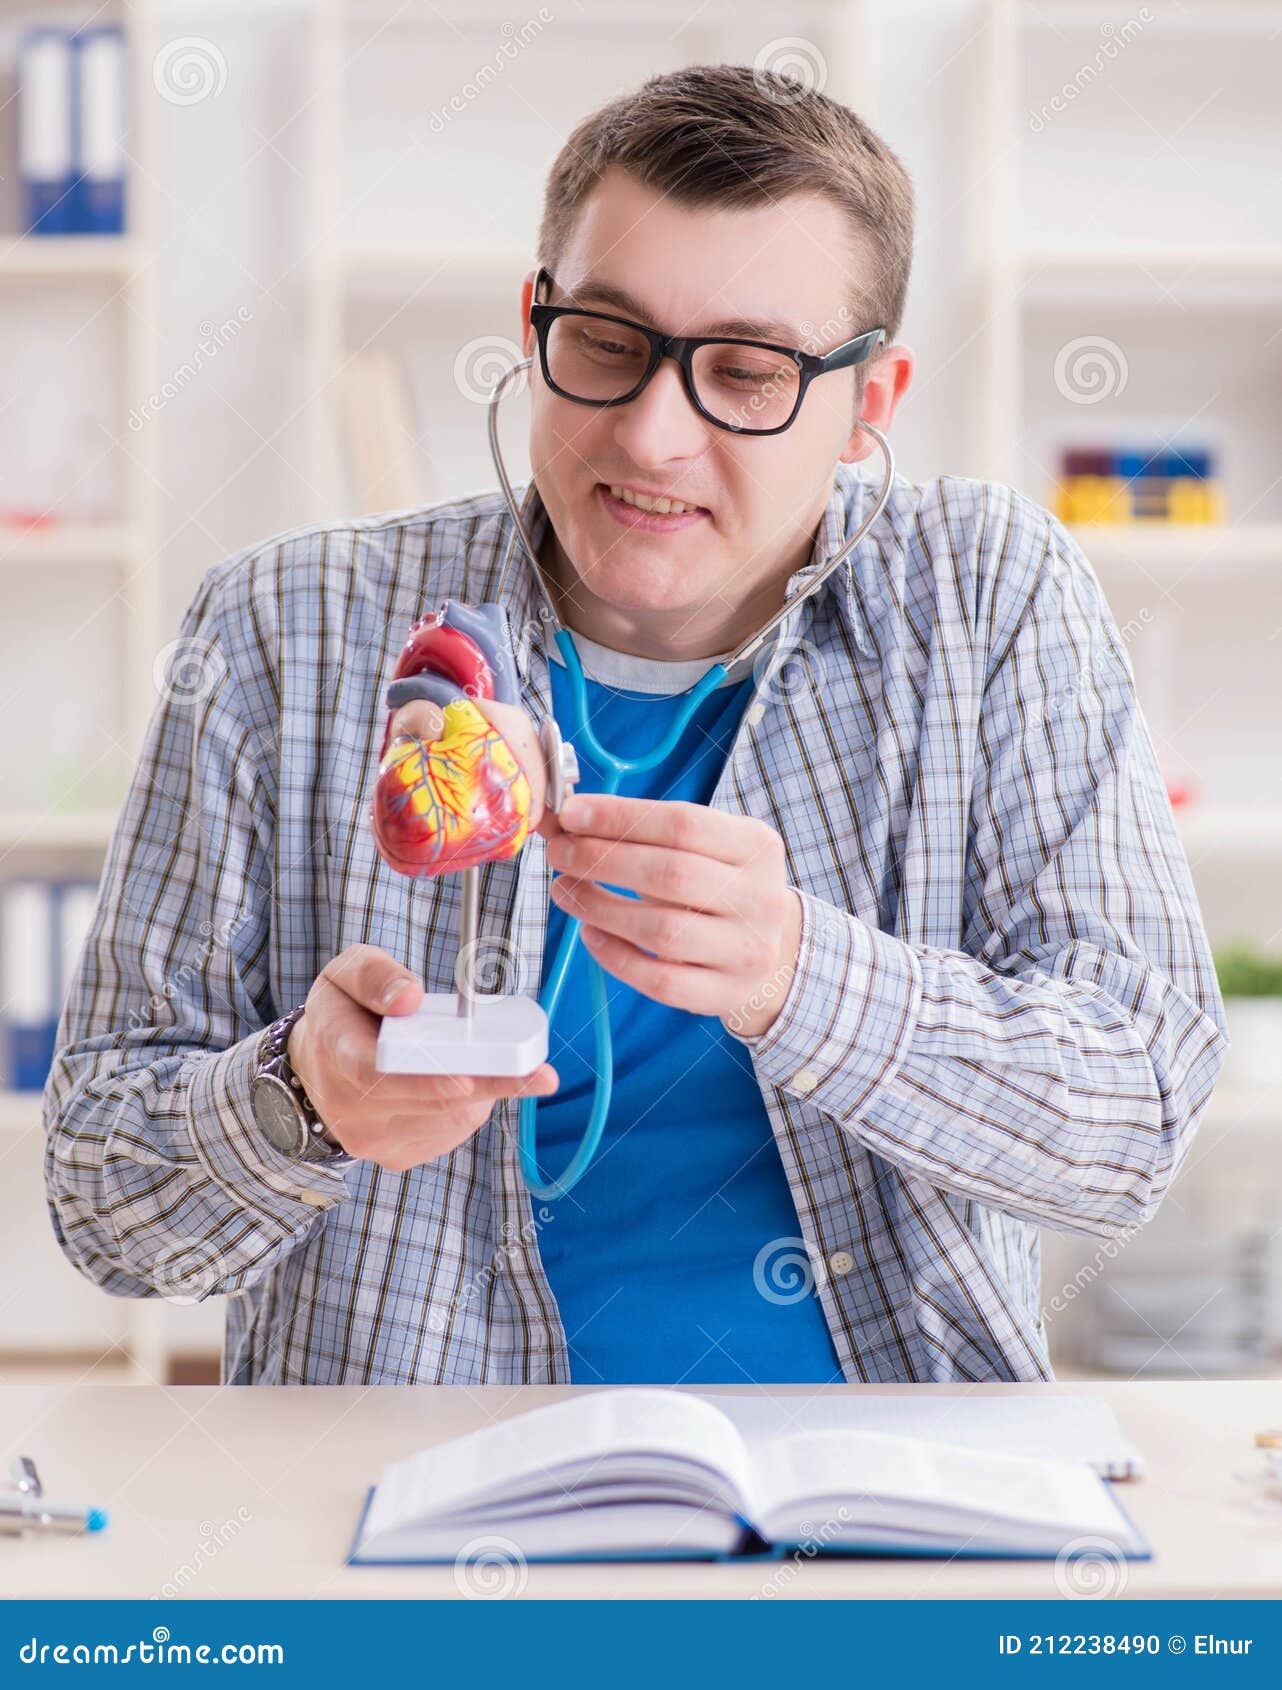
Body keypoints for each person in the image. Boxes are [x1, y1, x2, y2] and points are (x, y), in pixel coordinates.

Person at [43, 65, 1226, 1387]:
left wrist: (800, 977)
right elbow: (102, 1202)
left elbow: (1137, 1112)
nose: (653, 437)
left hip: (874, 1483)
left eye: (747, 372)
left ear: (868, 407)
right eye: (606, 342)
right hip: (407, 1483)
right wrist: (300, 1099)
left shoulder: (987, 594)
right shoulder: (283, 626)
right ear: (532, 323)